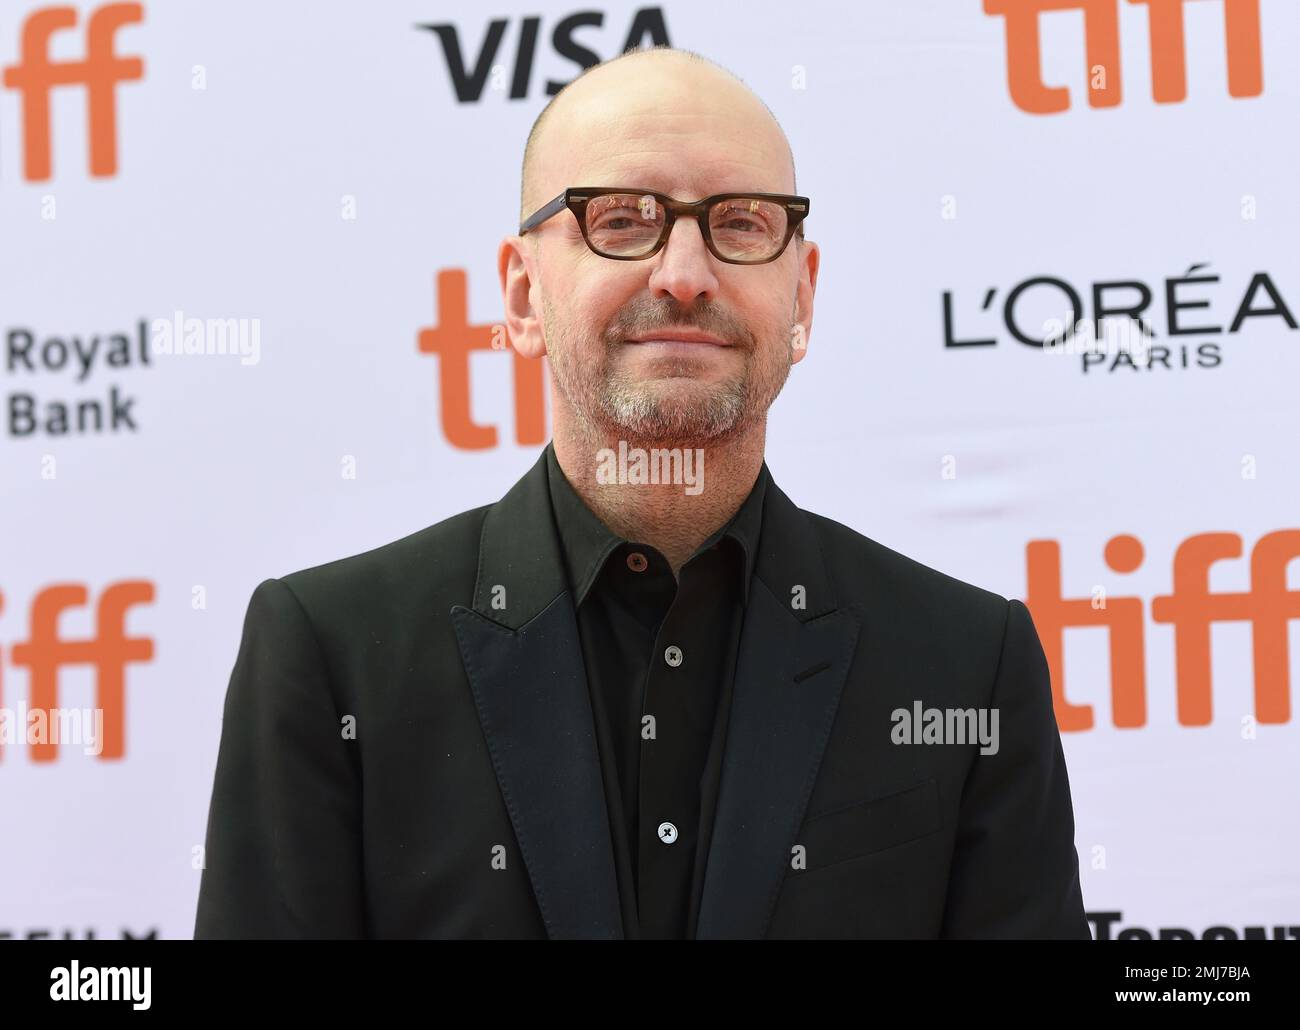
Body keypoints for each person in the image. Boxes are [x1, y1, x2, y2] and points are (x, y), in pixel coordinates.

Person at [194, 45, 1089, 939]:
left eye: (740, 223)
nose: (685, 273)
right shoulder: (331, 656)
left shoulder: (968, 662)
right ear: (520, 295)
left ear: (803, 295)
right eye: (621, 219)